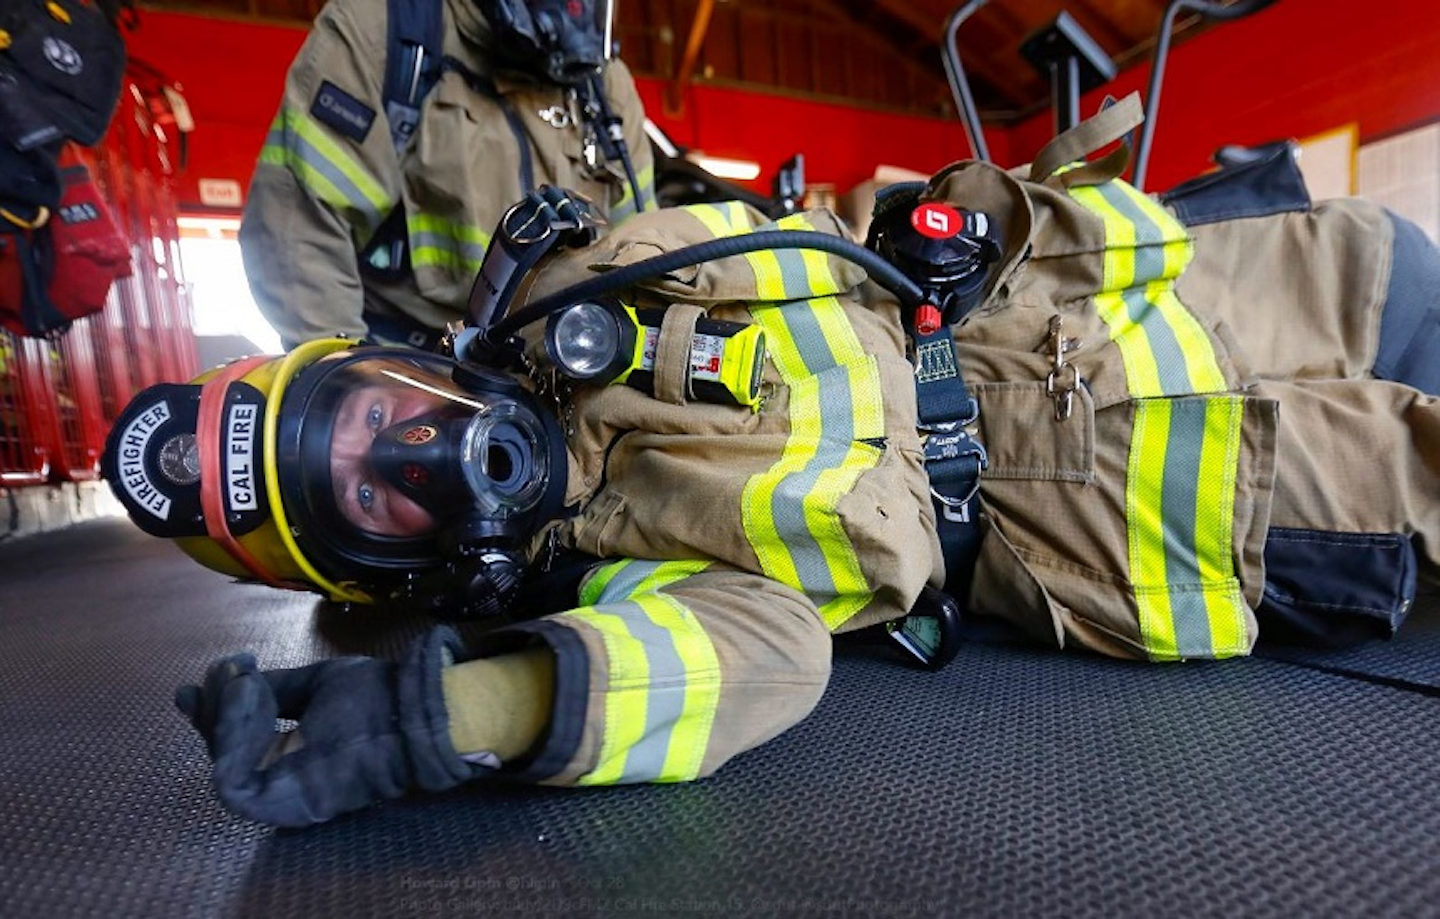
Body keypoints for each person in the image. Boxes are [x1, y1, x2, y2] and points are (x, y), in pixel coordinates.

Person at [103, 97, 1440, 828]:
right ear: (388, 561)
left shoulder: (585, 280)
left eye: (372, 405)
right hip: (1181, 494)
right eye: (378, 489)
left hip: (1249, 289)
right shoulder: (590, 573)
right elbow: (745, 661)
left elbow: (817, 241)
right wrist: (453, 715)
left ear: (385, 357)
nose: (421, 445)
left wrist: (956, 227)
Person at [239, 0, 655, 351]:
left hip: (560, 378)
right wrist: (350, 389)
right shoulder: (382, 30)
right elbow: (298, 235)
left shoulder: (606, 85)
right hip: (413, 376)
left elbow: (641, 256)